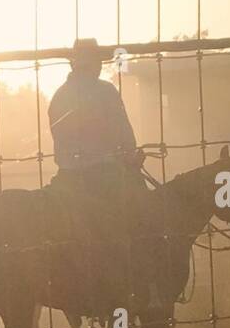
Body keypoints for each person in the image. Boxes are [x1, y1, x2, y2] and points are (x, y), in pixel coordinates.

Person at [46, 38, 157, 312]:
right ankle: (140, 288)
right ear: (95, 63)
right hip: (105, 175)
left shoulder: (60, 95)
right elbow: (123, 135)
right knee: (143, 218)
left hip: (68, 177)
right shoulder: (105, 92)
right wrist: (130, 157)